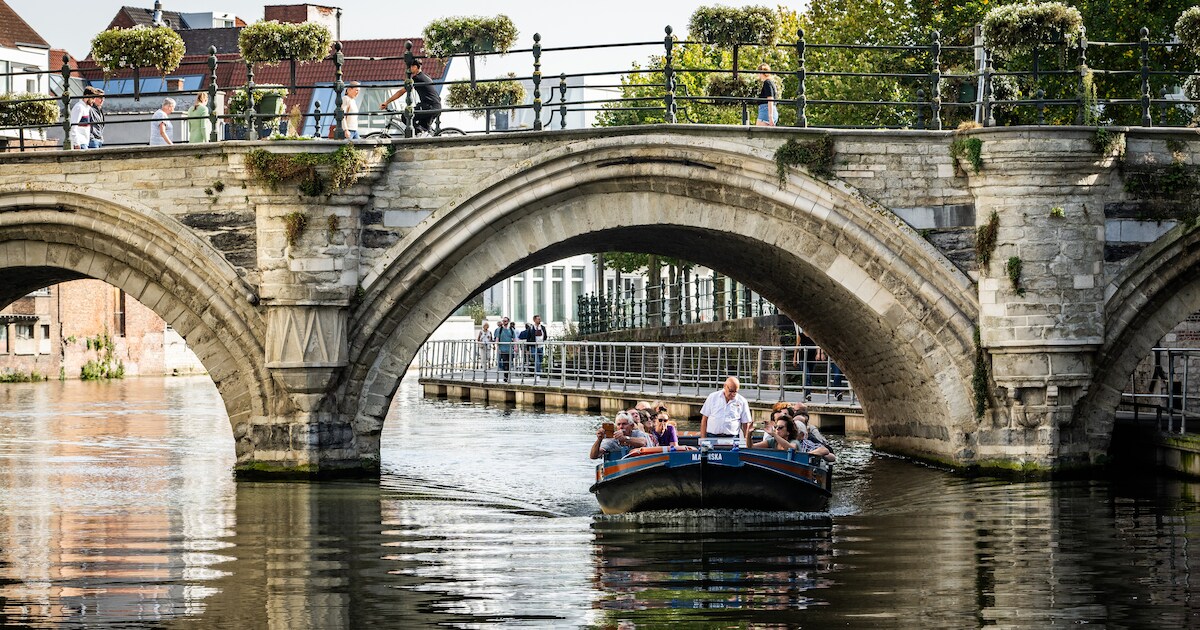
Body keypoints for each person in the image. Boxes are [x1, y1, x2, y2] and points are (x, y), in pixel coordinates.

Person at [380, 59, 442, 134]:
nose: (408, 70)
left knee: (406, 116)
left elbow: (401, 92)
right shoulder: (426, 76)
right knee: (423, 128)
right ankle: (424, 136)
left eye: (410, 67)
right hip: (435, 106)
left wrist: (387, 102)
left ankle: (421, 133)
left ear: (415, 67)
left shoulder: (417, 78)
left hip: (429, 106)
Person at [699, 376, 753, 444]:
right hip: (712, 437)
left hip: (732, 438)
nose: (733, 394)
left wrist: (746, 442)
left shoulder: (742, 401)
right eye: (731, 391)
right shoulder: (712, 397)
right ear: (725, 386)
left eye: (735, 392)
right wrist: (703, 440)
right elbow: (704, 420)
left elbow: (746, 424)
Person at [494, 316, 515, 382]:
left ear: (508, 322)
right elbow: (497, 339)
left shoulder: (511, 330)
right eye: (503, 321)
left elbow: (514, 339)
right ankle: (506, 376)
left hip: (510, 349)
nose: (504, 322)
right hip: (502, 349)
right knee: (505, 363)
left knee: (509, 363)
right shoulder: (499, 330)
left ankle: (507, 375)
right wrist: (496, 346)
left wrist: (515, 347)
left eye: (505, 321)